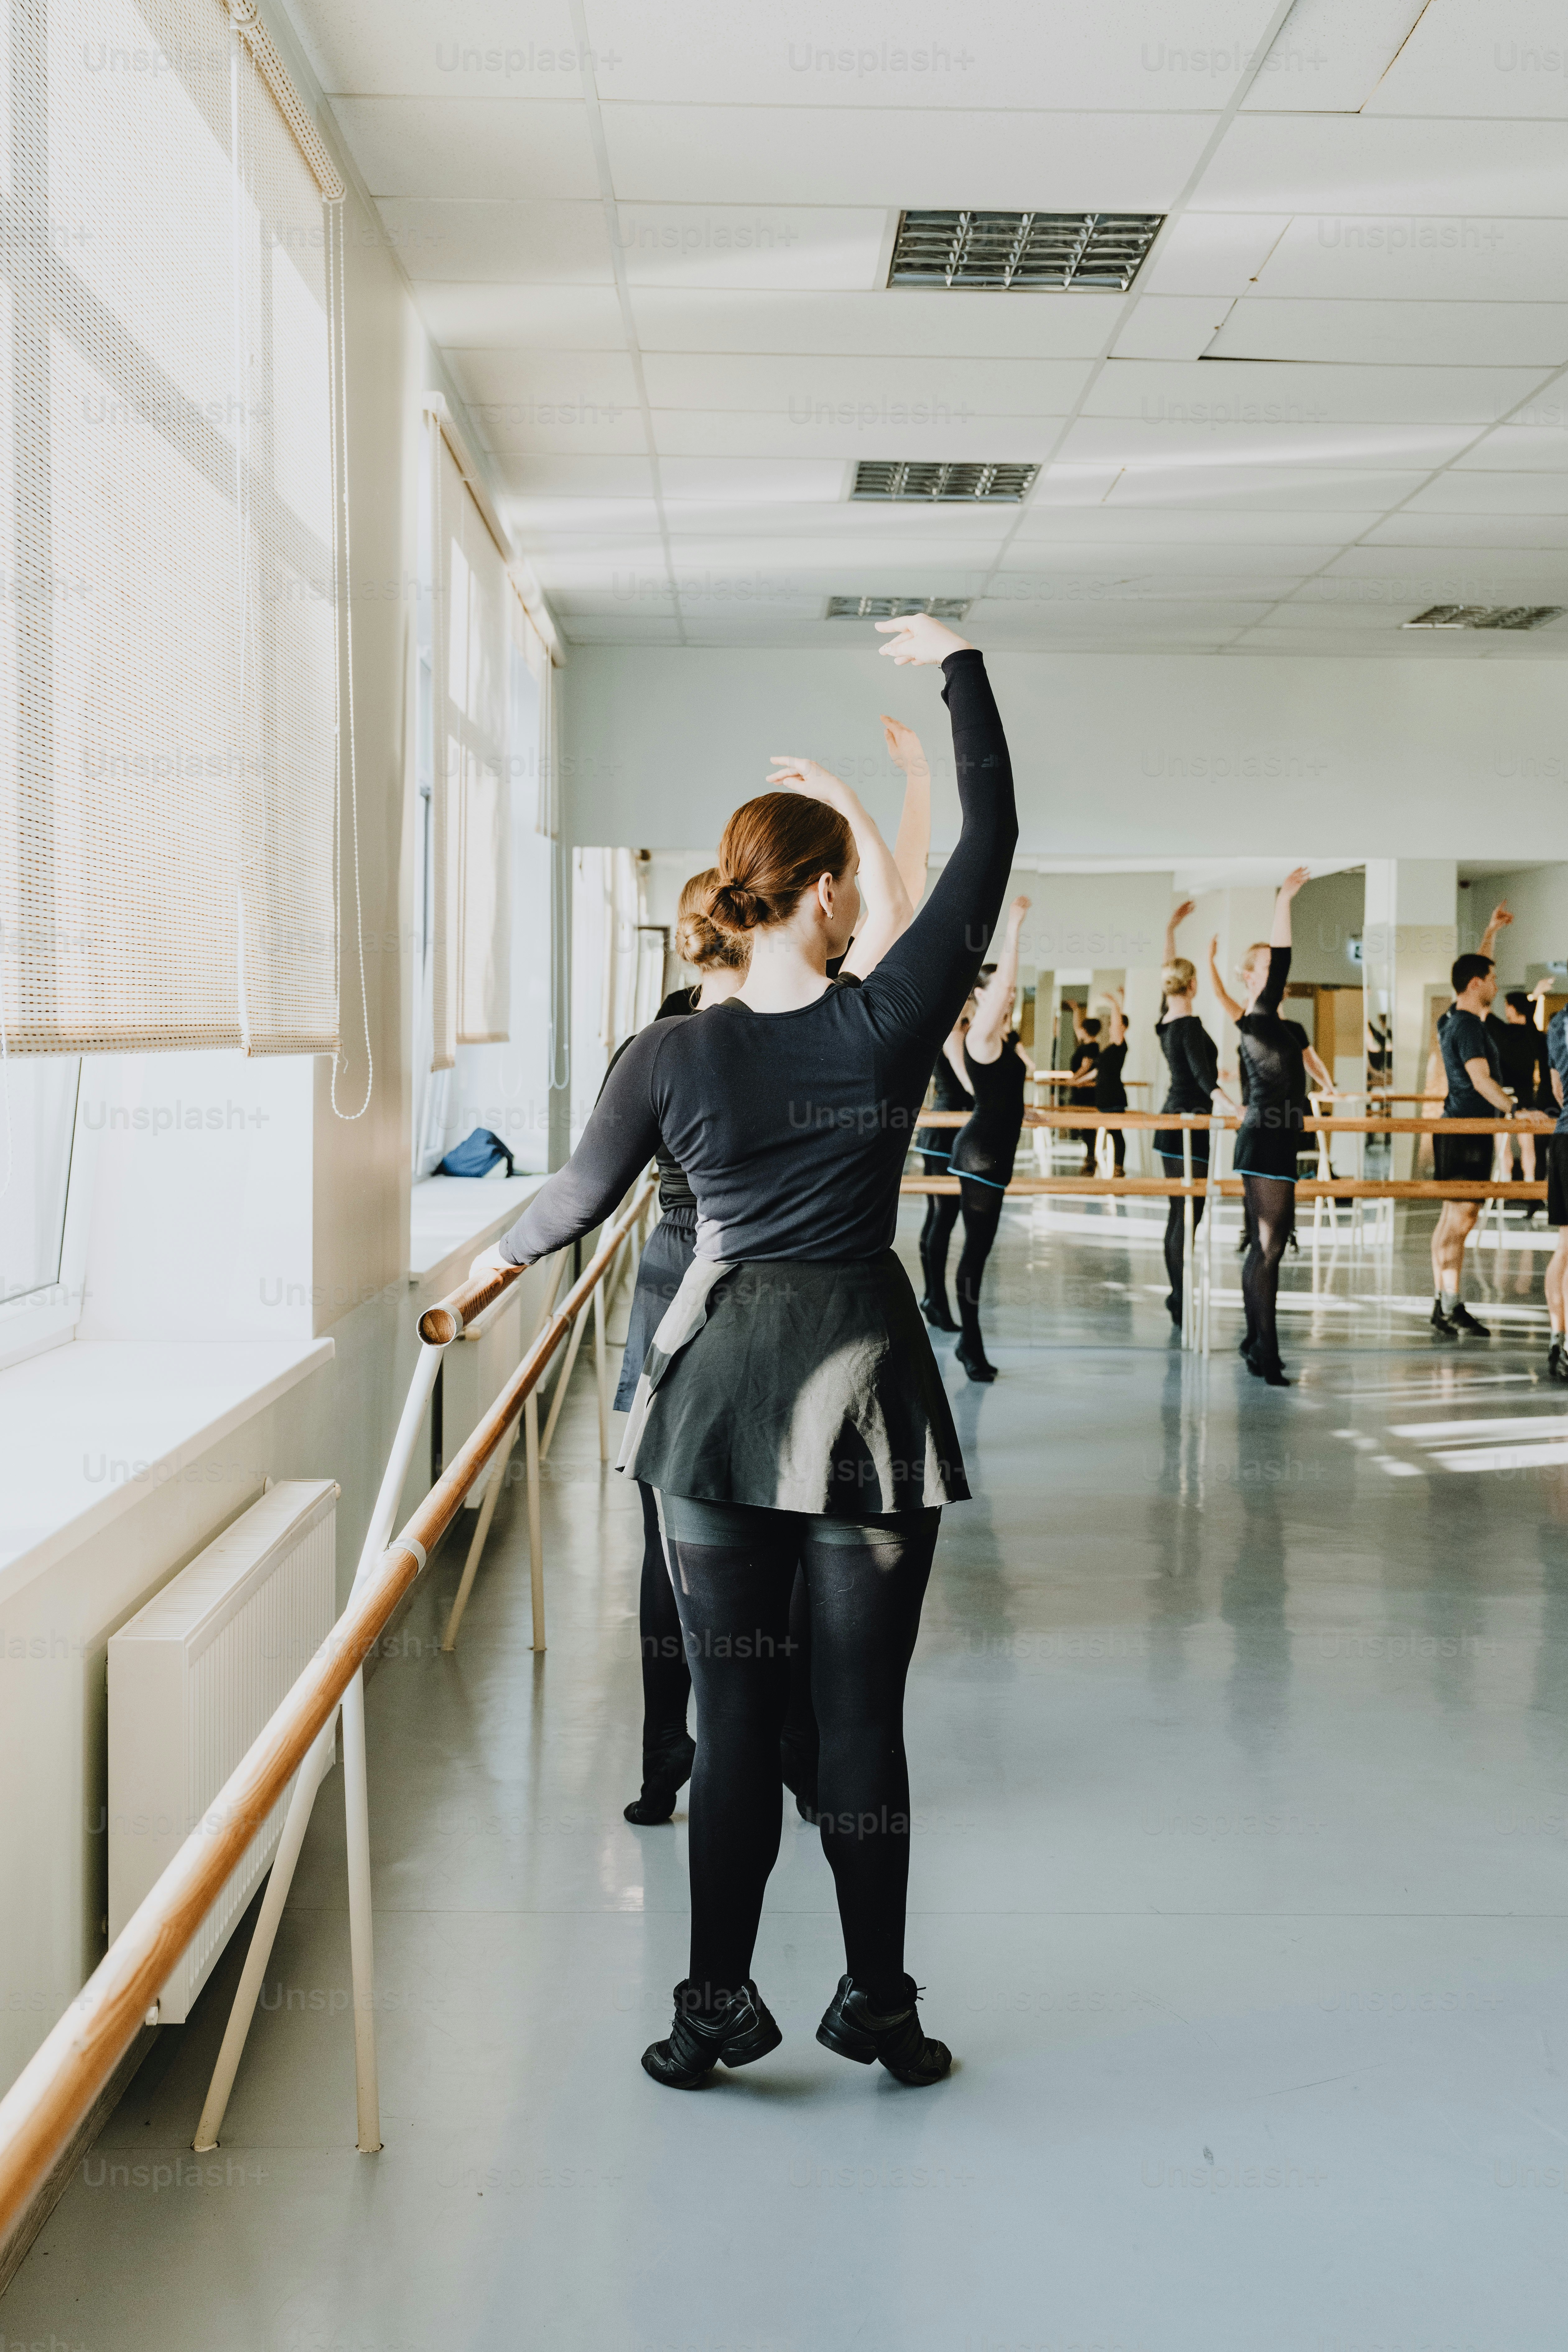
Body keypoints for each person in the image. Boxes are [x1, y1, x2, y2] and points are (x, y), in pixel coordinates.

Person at [480, 609, 1016, 2091]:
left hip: (720, 1408)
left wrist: (474, 1281)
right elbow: (998, 830)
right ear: (833, 894)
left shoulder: (668, 1052)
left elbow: (576, 1206)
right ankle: (879, 2006)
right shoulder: (891, 1021)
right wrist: (962, 665)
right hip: (868, 1397)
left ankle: (714, 2004)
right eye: (848, 889)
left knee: (733, 1728)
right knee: (861, 1732)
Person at [618, 734, 932, 1827]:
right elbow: (907, 923)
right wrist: (876, 799)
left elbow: (897, 927)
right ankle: (743, 1751)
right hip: (717, 1293)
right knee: (764, 1548)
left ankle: (706, 1757)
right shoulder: (721, 1033)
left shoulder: (682, 1036)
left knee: (704, 1542)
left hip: (697, 1298)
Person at [1210, 870, 1336, 1386]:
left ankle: (1254, 1342)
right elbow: (1282, 958)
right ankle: (1268, 1353)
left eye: (1271, 965)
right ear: (1253, 976)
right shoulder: (1257, 1018)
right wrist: (1284, 899)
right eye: (1264, 966)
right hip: (1265, 1139)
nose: (1275, 971)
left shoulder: (1278, 1025)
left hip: (1276, 1138)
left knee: (1265, 1248)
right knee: (1269, 1249)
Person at [1431, 953, 1546, 1339]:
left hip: (1457, 1128)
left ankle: (1443, 1302)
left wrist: (1491, 935)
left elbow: (1471, 963)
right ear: (1476, 983)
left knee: (1451, 1220)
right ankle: (1449, 1303)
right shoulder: (1467, 1027)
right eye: (1492, 978)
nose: (1497, 986)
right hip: (1467, 1133)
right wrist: (1516, 1110)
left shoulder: (1451, 1018)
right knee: (1460, 1221)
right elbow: (1481, 1081)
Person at [950, 894, 1032, 1383]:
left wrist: (1030, 1109)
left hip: (993, 1155)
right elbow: (1001, 986)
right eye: (1000, 991)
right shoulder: (980, 1035)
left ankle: (969, 1338)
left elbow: (1005, 1094)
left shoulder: (1000, 1040)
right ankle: (969, 1342)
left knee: (981, 1248)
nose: (1008, 994)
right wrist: (1015, 925)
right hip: (980, 1155)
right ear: (983, 996)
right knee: (976, 1251)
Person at [1154, 900, 1219, 1329]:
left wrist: (1170, 929)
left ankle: (1178, 1293)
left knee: (1180, 1213)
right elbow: (1203, 1077)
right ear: (1194, 985)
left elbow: (1168, 977)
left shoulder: (1167, 1022)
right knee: (1186, 1214)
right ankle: (1178, 1294)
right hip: (1189, 1125)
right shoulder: (1191, 1027)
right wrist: (1230, 1103)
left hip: (1171, 1124)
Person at [914, 997, 974, 1332]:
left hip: (947, 1131)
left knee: (940, 1217)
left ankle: (933, 1298)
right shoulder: (953, 1034)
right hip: (943, 1133)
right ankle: (935, 1299)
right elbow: (971, 1085)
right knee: (942, 1217)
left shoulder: (958, 1030)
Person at [1490, 990, 1551, 1213]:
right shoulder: (1535, 1037)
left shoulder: (1500, 1032)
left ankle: (1504, 1193)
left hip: (1504, 1095)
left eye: (1507, 1006)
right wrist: (1535, 995)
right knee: (1529, 1146)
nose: (1505, 1010)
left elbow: (1484, 1013)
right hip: (1528, 1095)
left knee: (1502, 1145)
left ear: (1512, 1008)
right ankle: (1529, 1193)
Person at [1067, 991, 1128, 1176]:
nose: (1111, 1028)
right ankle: (1096, 1161)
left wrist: (1115, 1003)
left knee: (1115, 1133)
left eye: (1114, 1026)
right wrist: (1078, 1081)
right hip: (1103, 1096)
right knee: (1099, 1130)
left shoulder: (1119, 1046)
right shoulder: (1108, 1049)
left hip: (1114, 1095)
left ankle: (1118, 1168)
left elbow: (1118, 1025)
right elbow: (1097, 1071)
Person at [1545, 996, 1568, 1381]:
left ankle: (1557, 1337)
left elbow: (1556, 1088)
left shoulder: (1558, 1023)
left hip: (1563, 1138)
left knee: (1566, 1246)